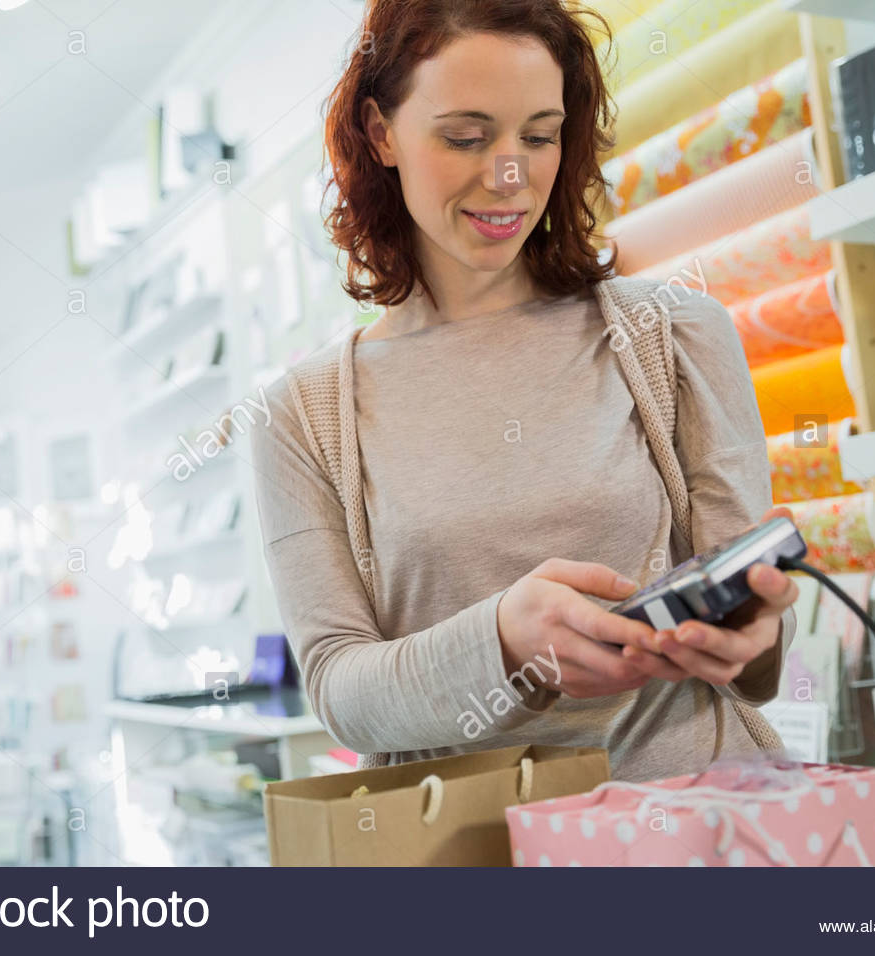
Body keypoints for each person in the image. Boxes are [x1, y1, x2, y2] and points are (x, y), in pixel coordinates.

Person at [250, 0, 801, 782]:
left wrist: (757, 634)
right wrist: (501, 643)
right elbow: (343, 692)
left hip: (699, 838)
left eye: (539, 136)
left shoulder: (677, 334)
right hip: (468, 859)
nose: (510, 175)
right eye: (465, 137)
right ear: (380, 134)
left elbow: (753, 662)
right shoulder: (301, 416)